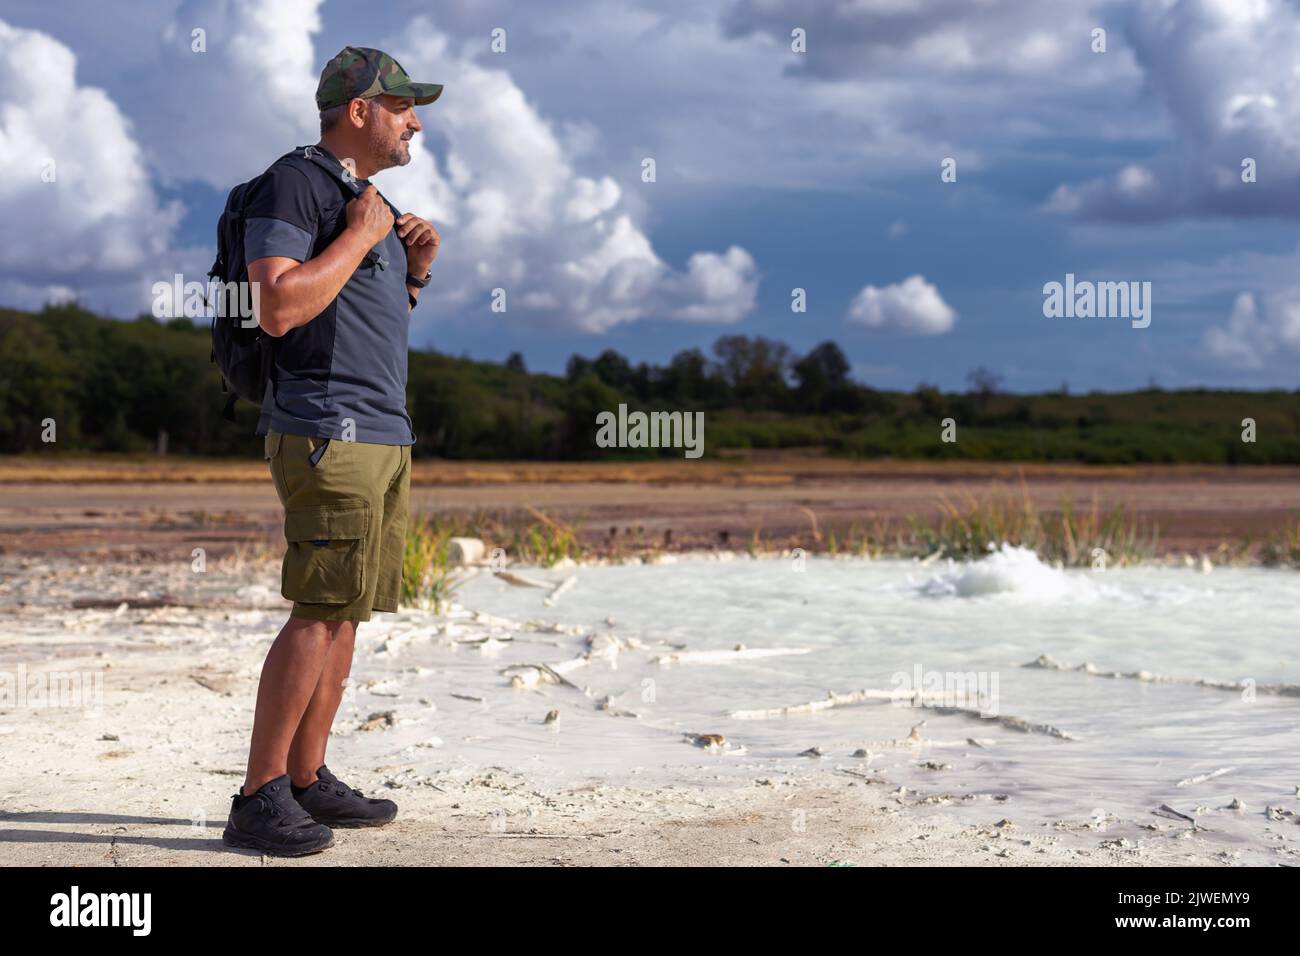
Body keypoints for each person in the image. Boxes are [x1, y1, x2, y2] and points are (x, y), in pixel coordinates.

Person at [221, 47, 443, 857]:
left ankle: (307, 780)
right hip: (324, 431)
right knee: (318, 612)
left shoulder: (368, 201)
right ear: (359, 111)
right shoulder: (298, 184)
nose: (415, 120)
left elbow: (360, 327)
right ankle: (257, 798)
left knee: (346, 610)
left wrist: (412, 273)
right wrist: (359, 235)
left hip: (382, 433)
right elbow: (279, 305)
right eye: (404, 106)